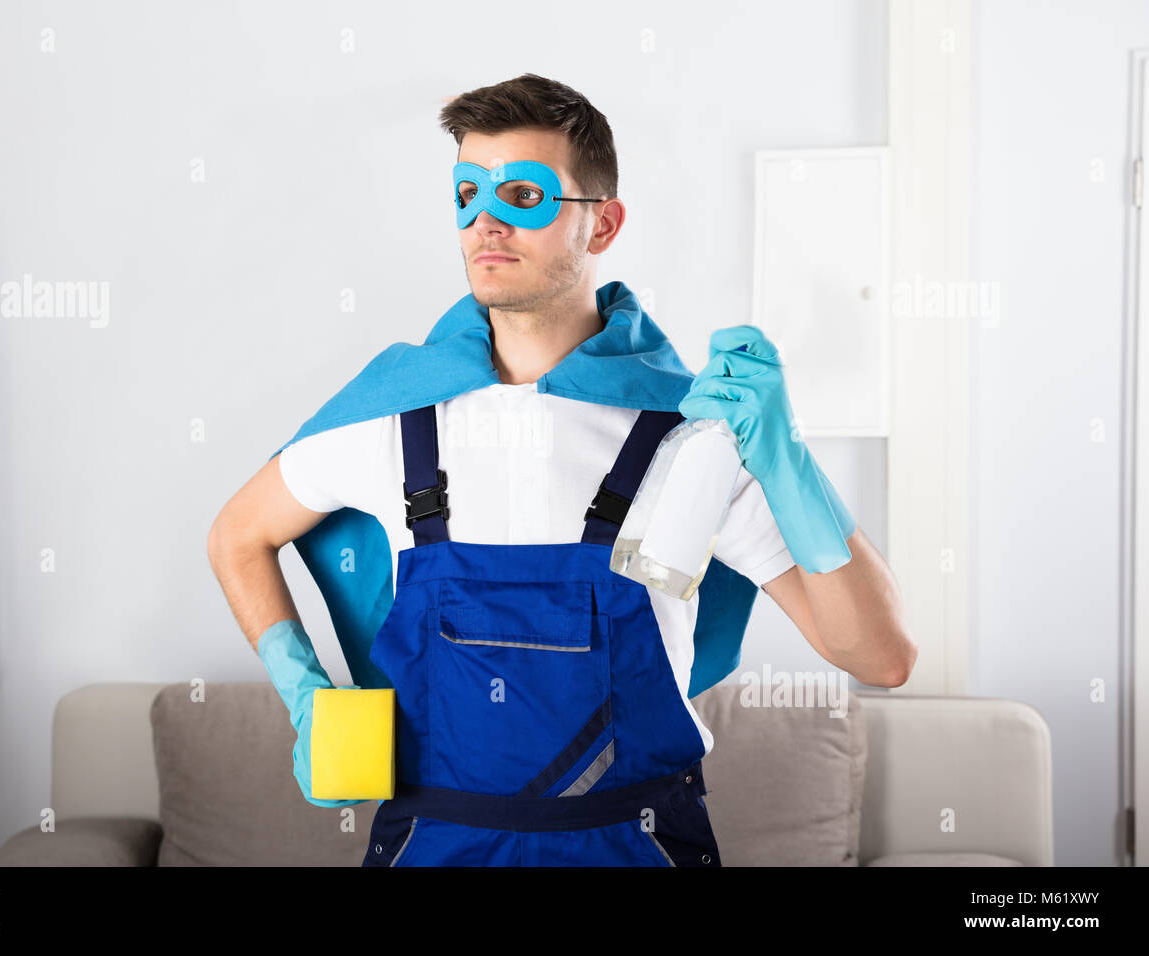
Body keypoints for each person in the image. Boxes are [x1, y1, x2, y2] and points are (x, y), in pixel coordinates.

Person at [207, 73, 916, 867]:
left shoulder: (694, 440)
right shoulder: (394, 419)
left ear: (603, 225)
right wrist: (305, 696)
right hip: (432, 845)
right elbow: (237, 534)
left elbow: (880, 658)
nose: (486, 223)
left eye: (522, 195)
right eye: (467, 196)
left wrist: (786, 462)